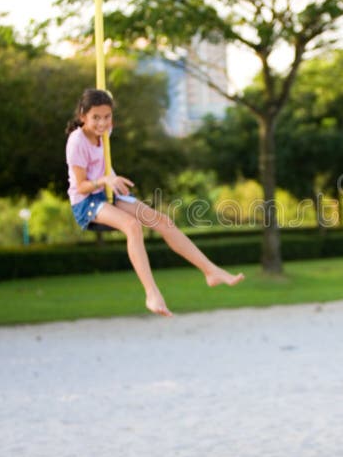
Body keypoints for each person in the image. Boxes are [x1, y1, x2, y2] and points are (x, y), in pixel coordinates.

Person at [65, 88, 244, 316]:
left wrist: (108, 182)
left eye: (107, 117)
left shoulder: (105, 132)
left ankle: (210, 271)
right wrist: (104, 179)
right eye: (95, 118)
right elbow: (80, 186)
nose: (102, 123)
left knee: (163, 221)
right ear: (83, 116)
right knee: (132, 226)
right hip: (86, 201)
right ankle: (151, 294)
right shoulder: (76, 141)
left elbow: (106, 100)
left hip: (110, 192)